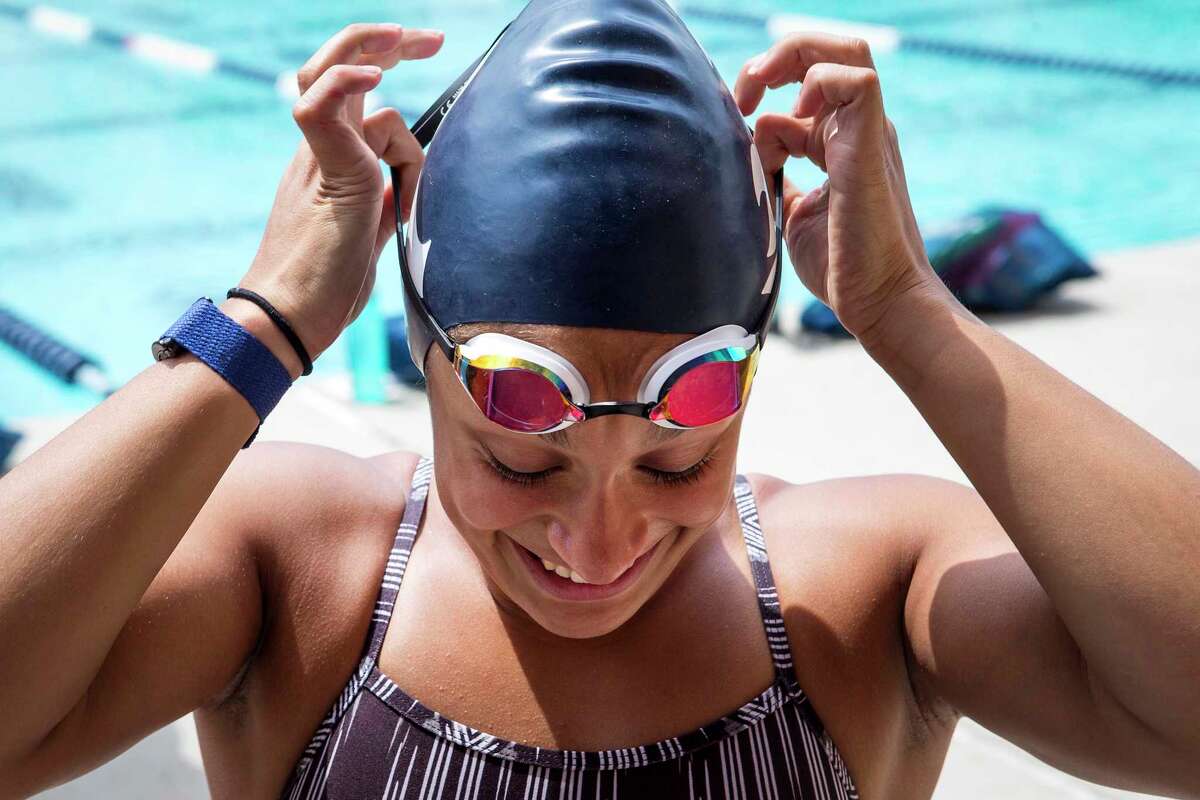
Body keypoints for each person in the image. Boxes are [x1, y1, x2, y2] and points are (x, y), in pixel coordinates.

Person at [1, 1, 1198, 798]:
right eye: (522, 461)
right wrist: (265, 320)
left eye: (680, 462)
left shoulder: (858, 594)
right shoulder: (304, 577)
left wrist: (907, 308)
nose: (600, 540)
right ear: (419, 350)